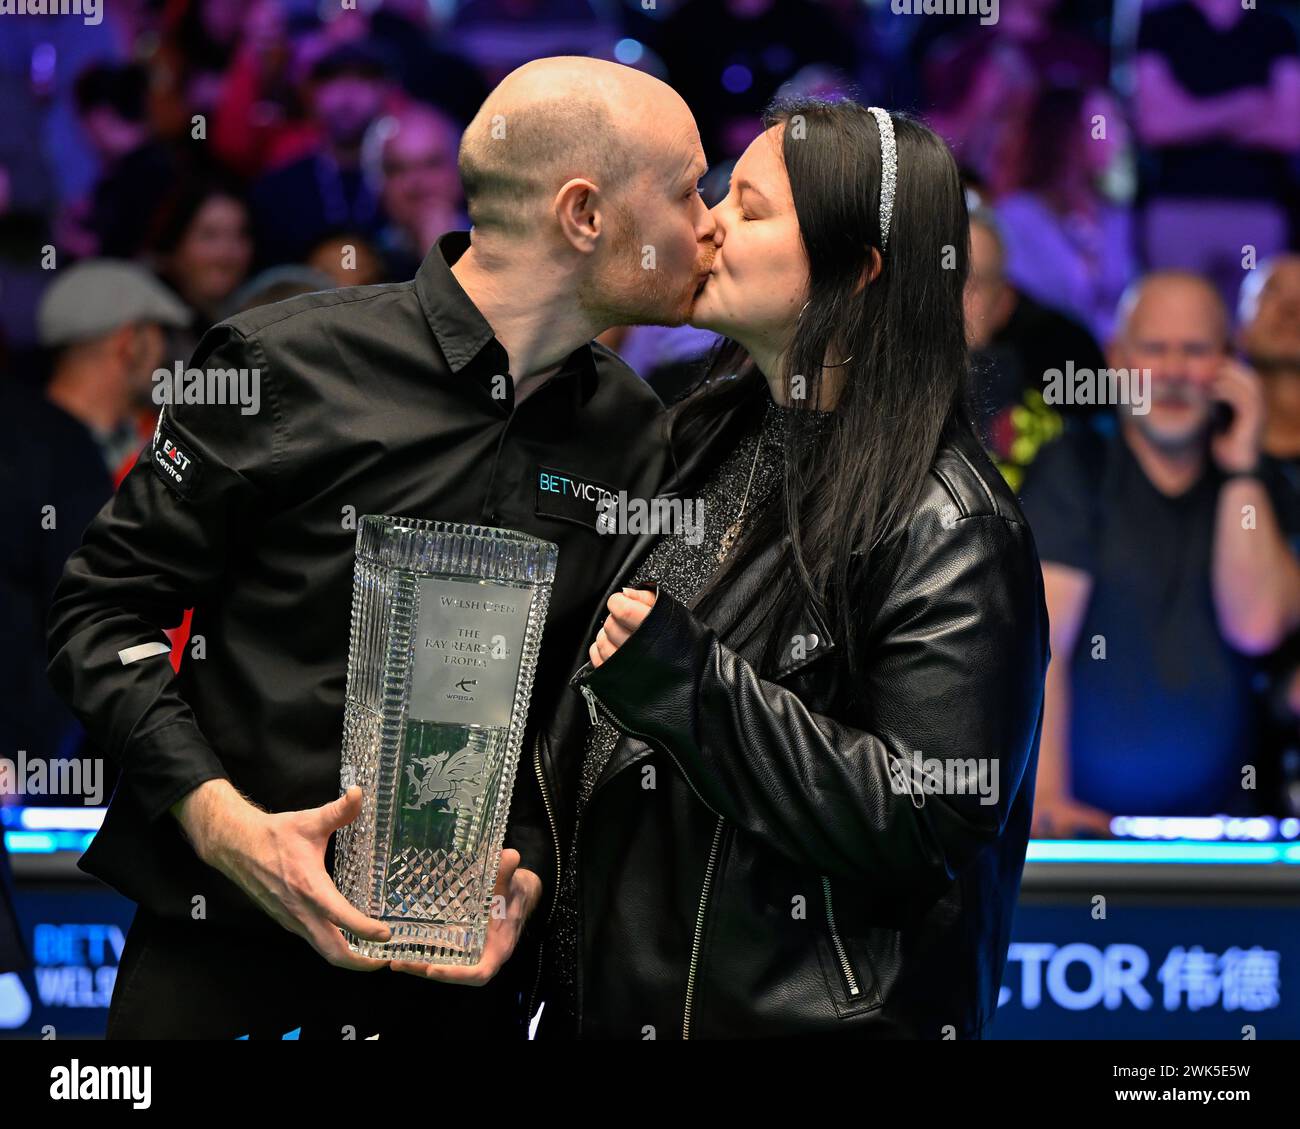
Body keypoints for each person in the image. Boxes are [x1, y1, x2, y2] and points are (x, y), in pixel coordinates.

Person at [45, 56, 717, 1040]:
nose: (708, 221)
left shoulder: (633, 432)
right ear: (583, 214)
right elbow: (99, 611)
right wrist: (221, 822)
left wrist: (523, 872)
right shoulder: (280, 361)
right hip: (223, 951)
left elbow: (586, 715)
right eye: (687, 187)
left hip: (456, 989)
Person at [534, 99, 1049, 1039]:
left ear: (857, 273)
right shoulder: (708, 431)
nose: (710, 221)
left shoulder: (956, 524)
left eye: (752, 207)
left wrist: (694, 686)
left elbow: (929, 816)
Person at [1021, 272, 1300, 835]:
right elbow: (1039, 643)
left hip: (1229, 835)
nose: (1173, 373)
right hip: (1091, 832)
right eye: (1154, 350)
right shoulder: (1075, 464)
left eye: (1195, 351)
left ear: (1228, 362)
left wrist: (1243, 469)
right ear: (1117, 357)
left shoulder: (1260, 483)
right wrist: (1047, 797)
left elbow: (1258, 626)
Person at [1, 262, 189, 817]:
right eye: (159, 337)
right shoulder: (71, 459)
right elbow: (76, 621)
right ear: (132, 342)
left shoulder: (20, 432)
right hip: (35, 761)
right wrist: (26, 756)